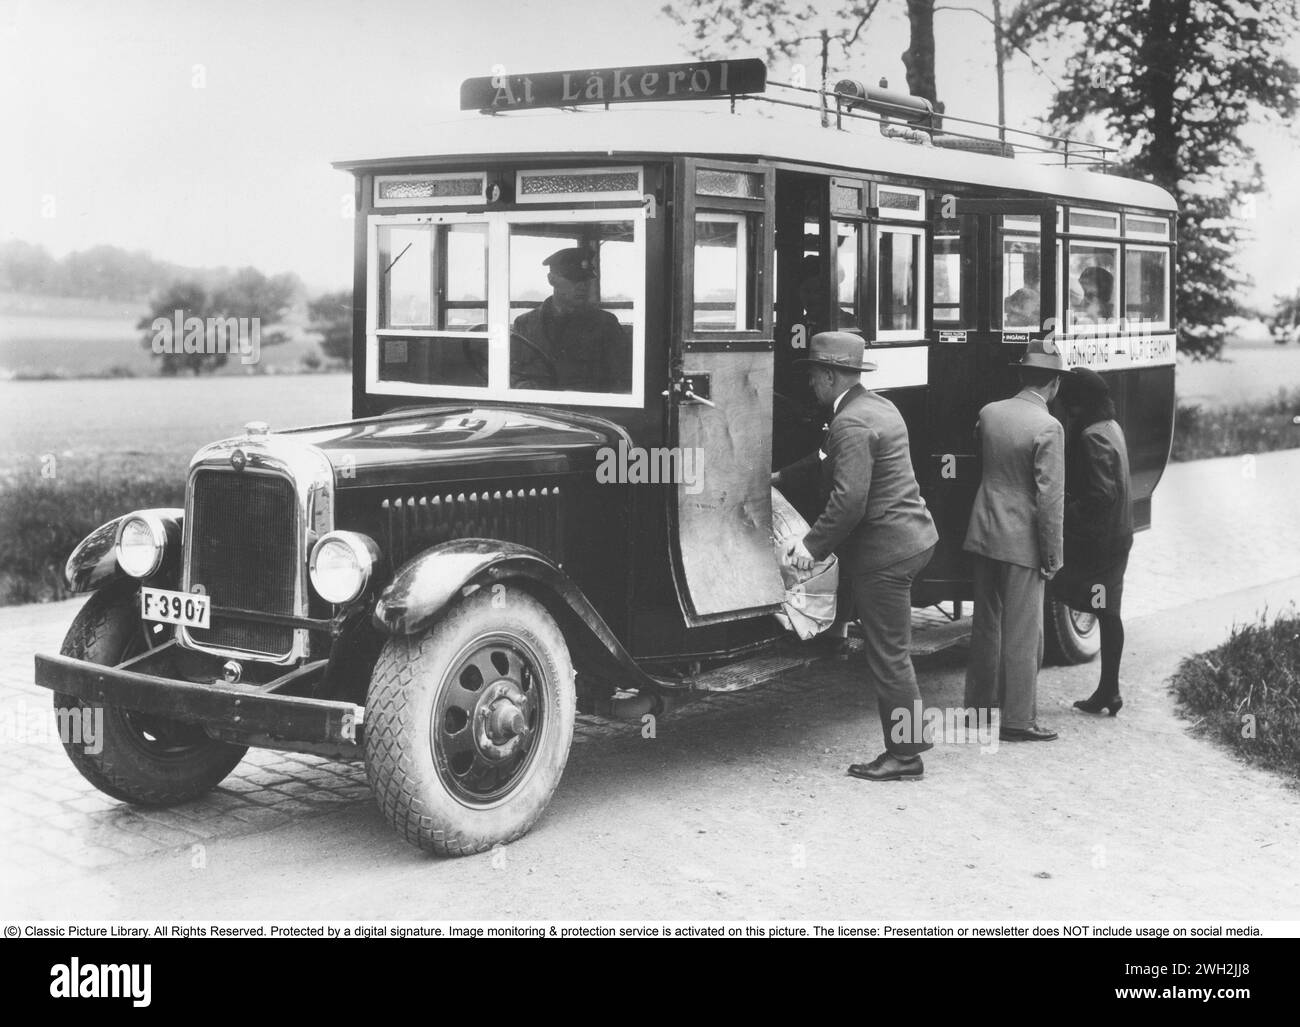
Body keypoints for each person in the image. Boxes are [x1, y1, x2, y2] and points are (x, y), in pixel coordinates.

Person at [776, 332, 939, 781]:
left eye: (812, 375)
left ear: (829, 376)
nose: (810, 383)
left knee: (889, 655)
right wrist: (779, 476)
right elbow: (825, 455)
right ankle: (835, 634)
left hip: (886, 553)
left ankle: (905, 755)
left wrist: (810, 547)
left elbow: (849, 503)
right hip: (913, 538)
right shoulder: (874, 407)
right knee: (892, 649)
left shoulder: (850, 421)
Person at [963, 338, 1066, 742]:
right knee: (1024, 632)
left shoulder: (990, 413)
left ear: (1022, 375)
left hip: (983, 530)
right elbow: (1049, 498)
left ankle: (977, 712)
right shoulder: (1048, 427)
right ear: (1054, 384)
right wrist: (1052, 554)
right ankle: (1018, 720)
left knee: (985, 626)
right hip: (1022, 542)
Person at [1052, 367, 1133, 715]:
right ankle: (1109, 690)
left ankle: (1108, 690)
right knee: (1108, 613)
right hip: (1118, 536)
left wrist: (1064, 510)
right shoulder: (1111, 427)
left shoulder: (1091, 437)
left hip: (1099, 542)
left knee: (1053, 590)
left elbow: (1101, 494)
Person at [510, 247, 630, 392]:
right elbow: (514, 375)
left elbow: (622, 378)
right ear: (551, 279)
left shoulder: (606, 323)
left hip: (588, 409)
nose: (582, 286)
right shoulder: (525, 324)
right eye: (573, 278)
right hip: (540, 408)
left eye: (585, 279)